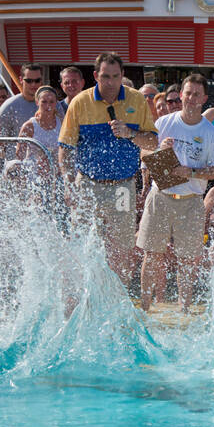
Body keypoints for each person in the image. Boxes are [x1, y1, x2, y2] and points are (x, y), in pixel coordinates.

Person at [58, 52, 158, 286]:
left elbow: (152, 143)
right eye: (105, 76)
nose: (110, 82)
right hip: (88, 185)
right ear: (95, 76)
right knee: (82, 243)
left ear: (122, 75)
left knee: (123, 248)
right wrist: (67, 182)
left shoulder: (136, 100)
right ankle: (84, 295)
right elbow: (65, 147)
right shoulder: (80, 101)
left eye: (115, 76)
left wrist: (130, 134)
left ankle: (118, 297)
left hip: (122, 187)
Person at [137, 73, 214, 312]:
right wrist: (159, 150)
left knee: (188, 261)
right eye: (187, 93)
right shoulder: (164, 122)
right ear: (182, 94)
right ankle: (145, 307)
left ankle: (184, 309)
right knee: (152, 255)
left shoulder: (209, 132)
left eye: (196, 94)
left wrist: (192, 172)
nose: (190, 98)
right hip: (160, 196)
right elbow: (144, 156)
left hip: (191, 201)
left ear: (204, 98)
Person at [0, 62, 44, 139]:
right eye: (29, 81)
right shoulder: (9, 106)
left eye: (37, 80)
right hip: (16, 150)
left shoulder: (52, 104)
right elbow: (0, 140)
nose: (33, 84)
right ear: (21, 80)